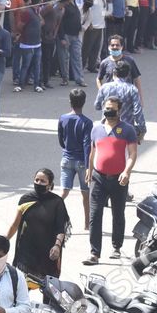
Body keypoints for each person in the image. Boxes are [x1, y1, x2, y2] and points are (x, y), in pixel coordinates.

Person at [84, 98, 138, 265]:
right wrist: (89, 170)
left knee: (118, 214)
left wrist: (126, 172)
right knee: (95, 215)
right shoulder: (96, 129)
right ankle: (94, 253)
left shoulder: (127, 130)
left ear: (119, 111)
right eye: (107, 108)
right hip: (98, 178)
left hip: (118, 179)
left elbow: (133, 154)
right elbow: (93, 152)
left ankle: (116, 247)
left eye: (112, 109)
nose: (109, 111)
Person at [8, 169, 71, 279]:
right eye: (36, 180)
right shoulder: (25, 199)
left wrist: (57, 246)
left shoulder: (57, 202)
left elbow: (61, 228)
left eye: (43, 181)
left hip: (48, 252)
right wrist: (4, 239)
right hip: (27, 250)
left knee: (48, 289)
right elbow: (15, 225)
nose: (38, 183)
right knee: (23, 289)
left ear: (49, 184)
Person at [57, 89, 94, 219]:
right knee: (85, 194)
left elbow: (61, 140)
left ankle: (50, 214)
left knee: (64, 191)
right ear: (84, 102)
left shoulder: (63, 118)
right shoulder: (87, 122)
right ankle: (87, 224)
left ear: (70, 101)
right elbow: (87, 145)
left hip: (67, 158)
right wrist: (89, 166)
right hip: (82, 161)